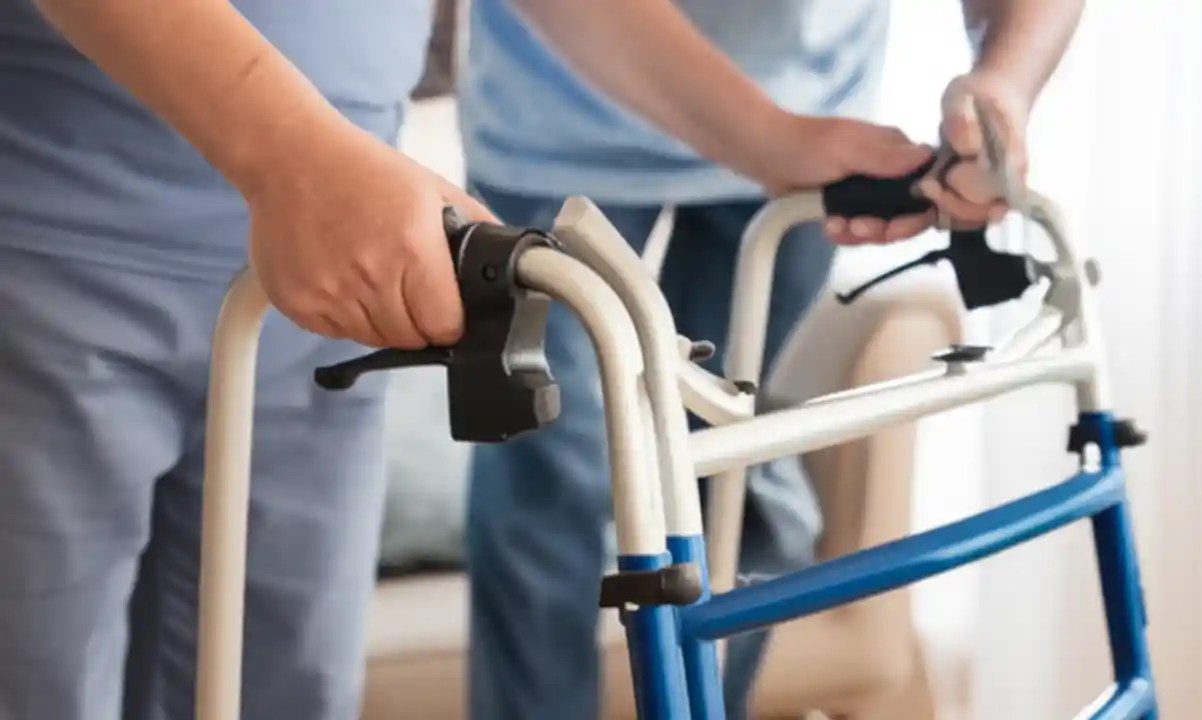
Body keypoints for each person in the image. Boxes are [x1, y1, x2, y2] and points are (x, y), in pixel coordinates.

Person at [459, 0, 1084, 718]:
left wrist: (1002, 85)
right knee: (549, 473)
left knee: (738, 476)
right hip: (561, 114)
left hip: (803, 113)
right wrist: (768, 138)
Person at [0, 1, 491, 718]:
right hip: (53, 248)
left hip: (342, 282)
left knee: (291, 685)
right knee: (38, 685)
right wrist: (297, 159)